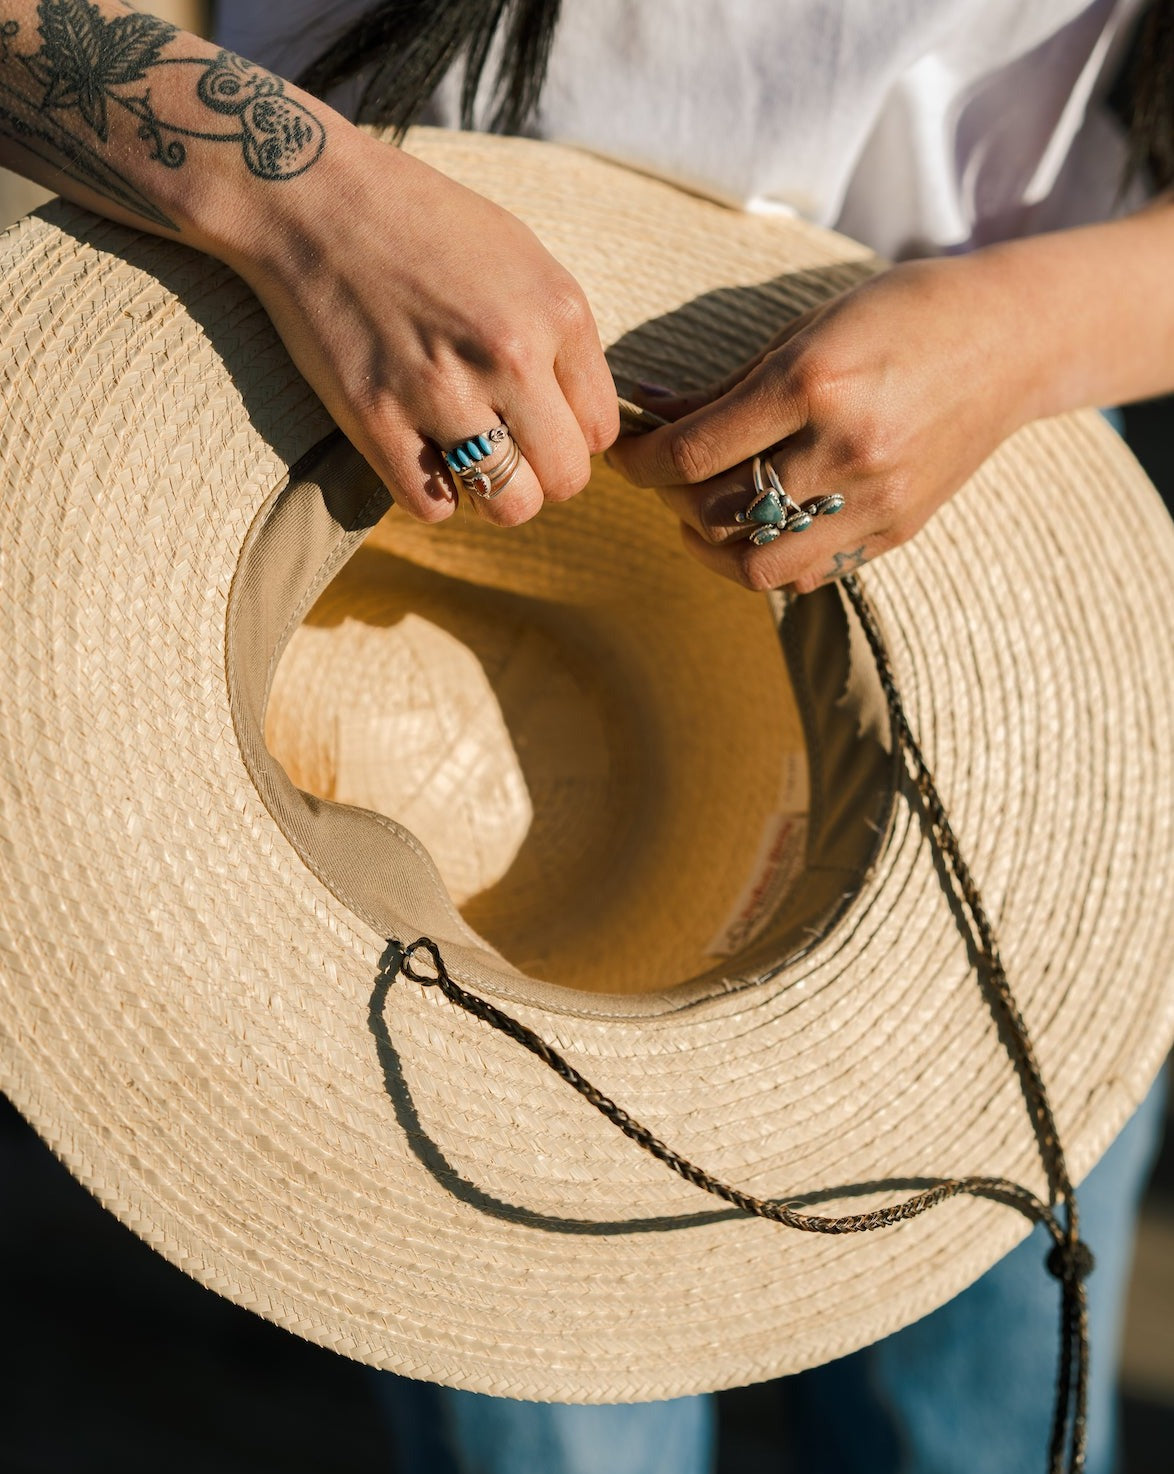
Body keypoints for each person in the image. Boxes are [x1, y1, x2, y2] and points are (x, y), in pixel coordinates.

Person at [0, 2, 1170, 1470]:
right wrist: (296, 197)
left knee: (982, 1416)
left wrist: (1025, 332)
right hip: (338, 347)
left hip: (981, 449)